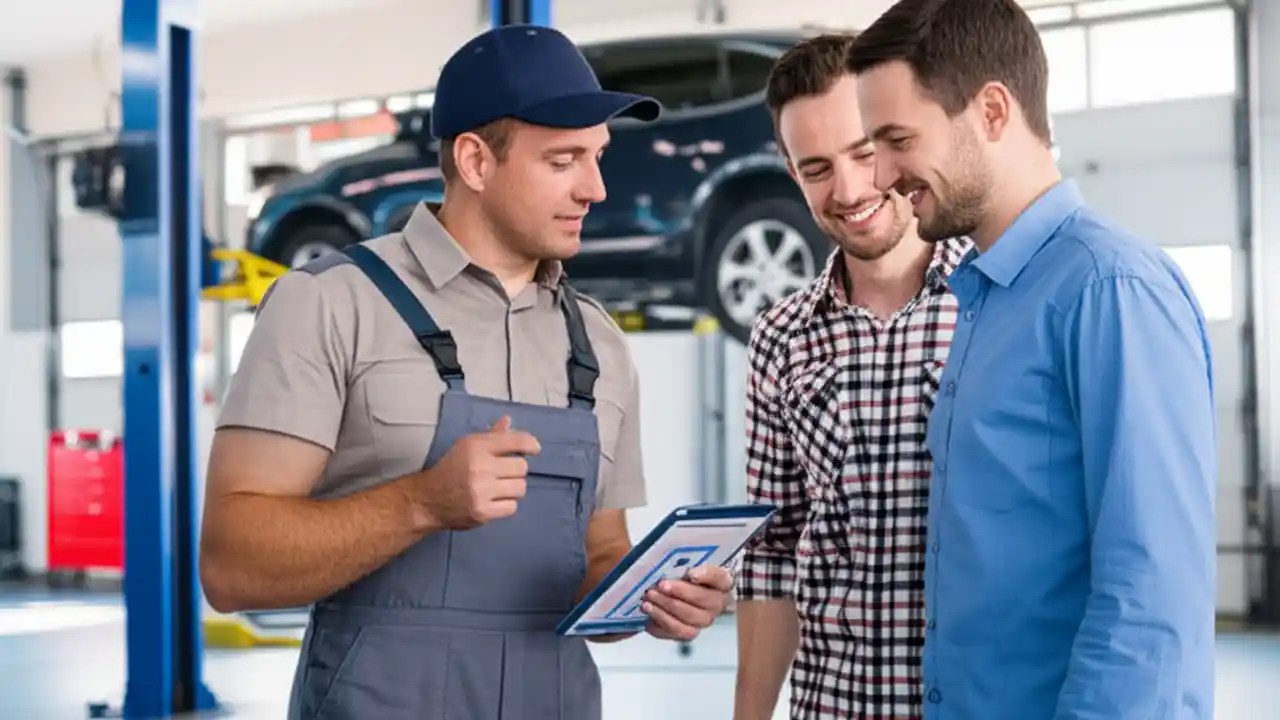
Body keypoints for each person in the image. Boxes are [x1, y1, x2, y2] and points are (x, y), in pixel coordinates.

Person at [197, 24, 735, 720]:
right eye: (564, 160)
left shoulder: (598, 342)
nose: (596, 189)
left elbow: (602, 551)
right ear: (476, 161)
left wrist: (651, 599)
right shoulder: (329, 303)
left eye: (598, 157)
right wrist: (421, 504)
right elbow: (231, 566)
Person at [848, 1, 1218, 718]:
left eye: (898, 140)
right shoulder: (987, 296)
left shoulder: (1109, 289)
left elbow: (1151, 598)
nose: (882, 175)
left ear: (992, 111)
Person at [733, 33, 970, 720]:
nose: (849, 190)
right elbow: (772, 553)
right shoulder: (781, 338)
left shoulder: (997, 304)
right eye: (816, 169)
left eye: (864, 154)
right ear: (791, 172)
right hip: (831, 705)